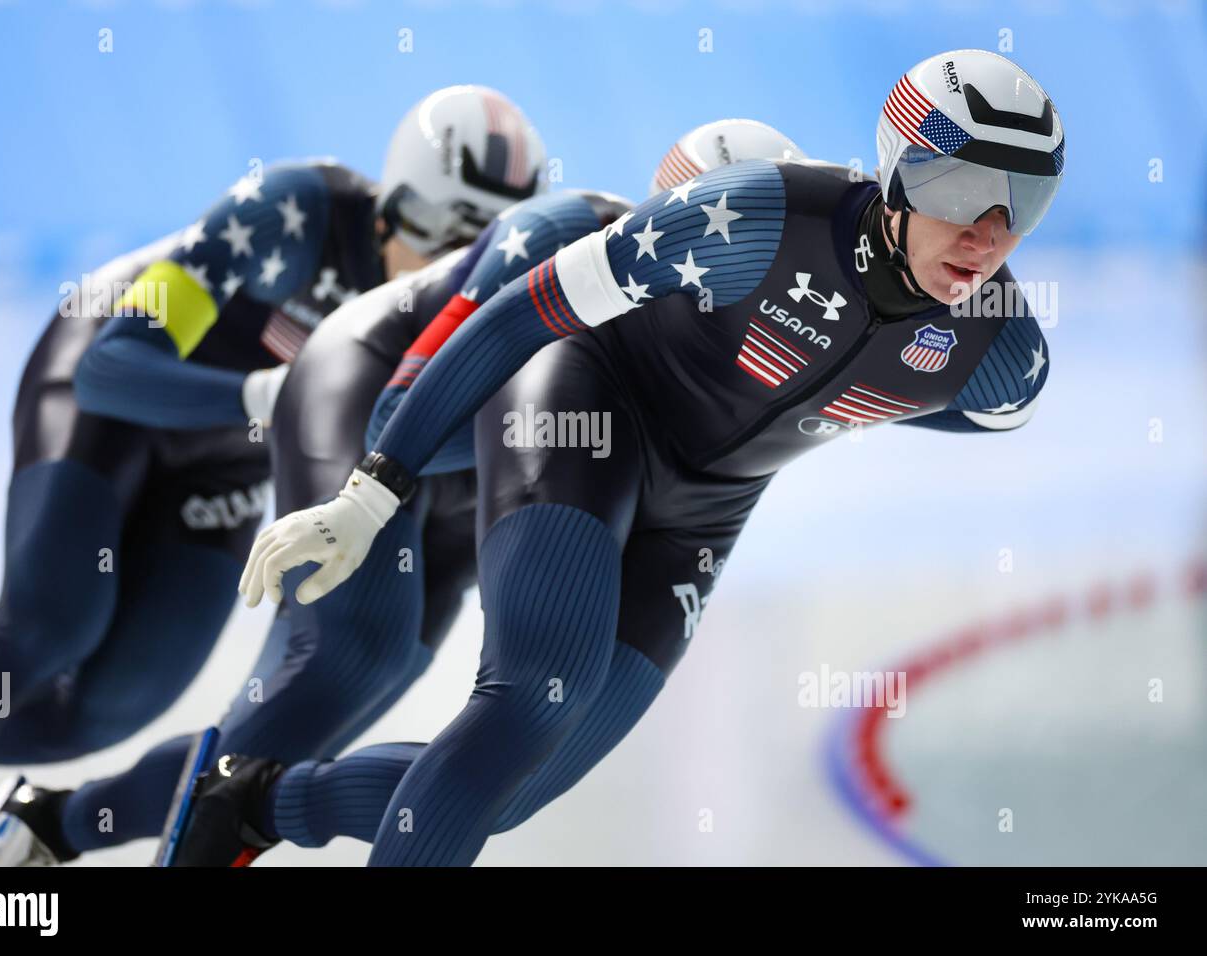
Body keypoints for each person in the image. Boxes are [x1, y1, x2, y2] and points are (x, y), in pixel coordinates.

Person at [225, 50, 1063, 867]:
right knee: (525, 701)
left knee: (513, 790)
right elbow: (526, 315)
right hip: (595, 398)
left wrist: (835, 405)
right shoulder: (759, 218)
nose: (989, 236)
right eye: (964, 191)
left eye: (1023, 202)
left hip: (705, 508)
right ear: (899, 172)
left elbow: (955, 407)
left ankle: (258, 803)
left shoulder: (999, 355)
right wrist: (371, 494)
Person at [0, 119, 806, 867]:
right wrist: (396, 490)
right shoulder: (556, 236)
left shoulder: (806, 319)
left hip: (474, 466)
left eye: (757, 286)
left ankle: (70, 821)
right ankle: (147, 813)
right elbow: (406, 400)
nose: (725, 304)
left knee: (494, 780)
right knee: (341, 663)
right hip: (379, 418)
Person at [0, 85, 547, 850]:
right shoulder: (290, 216)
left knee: (104, 711)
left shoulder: (459, 304)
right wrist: (271, 394)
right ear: (397, 210)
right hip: (113, 405)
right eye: (446, 249)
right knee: (45, 634)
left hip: (223, 462)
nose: (453, 285)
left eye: (478, 265)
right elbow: (112, 367)